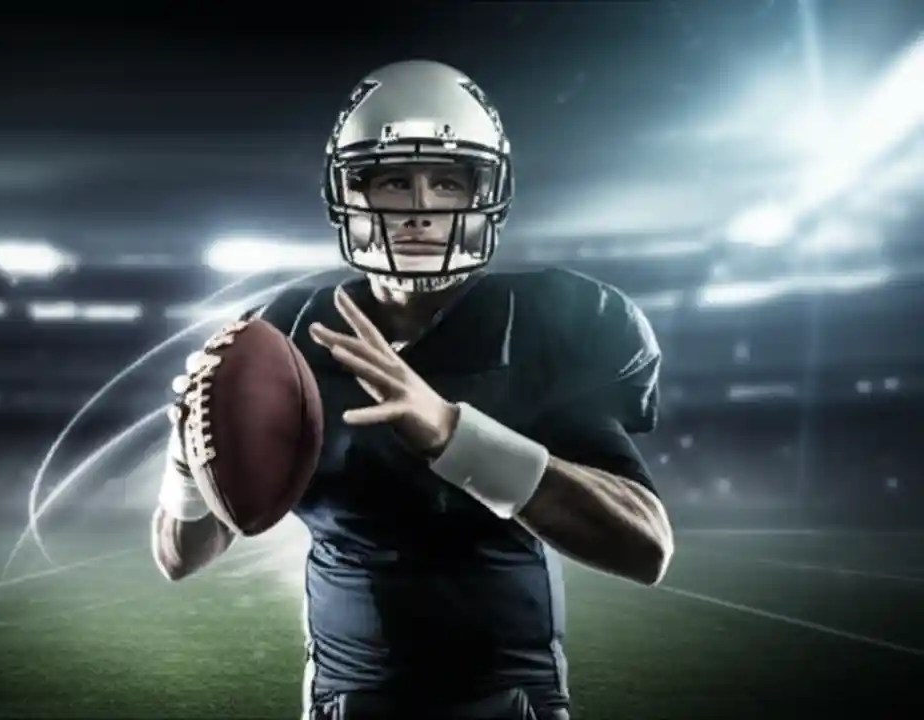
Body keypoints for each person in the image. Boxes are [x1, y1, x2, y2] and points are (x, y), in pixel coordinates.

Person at [151, 60, 674, 720]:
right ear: (351, 194)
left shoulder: (549, 321)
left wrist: (456, 436)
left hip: (512, 703)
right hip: (346, 703)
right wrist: (187, 457)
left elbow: (646, 547)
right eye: (396, 181)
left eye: (448, 181)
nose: (422, 208)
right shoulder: (290, 331)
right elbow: (180, 555)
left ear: (487, 192)